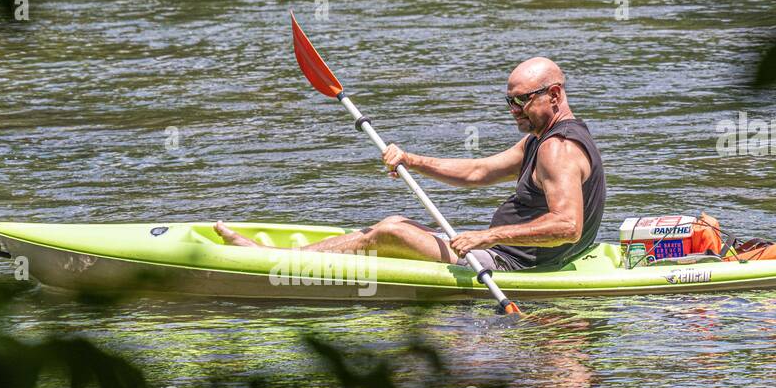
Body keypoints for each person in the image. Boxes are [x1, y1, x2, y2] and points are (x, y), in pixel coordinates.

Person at [215, 56, 606, 272]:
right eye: (509, 101)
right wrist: (411, 160)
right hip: (512, 252)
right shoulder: (540, 140)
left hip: (511, 263)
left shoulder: (558, 150)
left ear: (554, 94)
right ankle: (296, 257)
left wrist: (486, 238)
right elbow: (477, 172)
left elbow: (567, 227)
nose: (514, 110)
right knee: (396, 224)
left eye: (522, 100)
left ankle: (271, 263)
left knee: (391, 232)